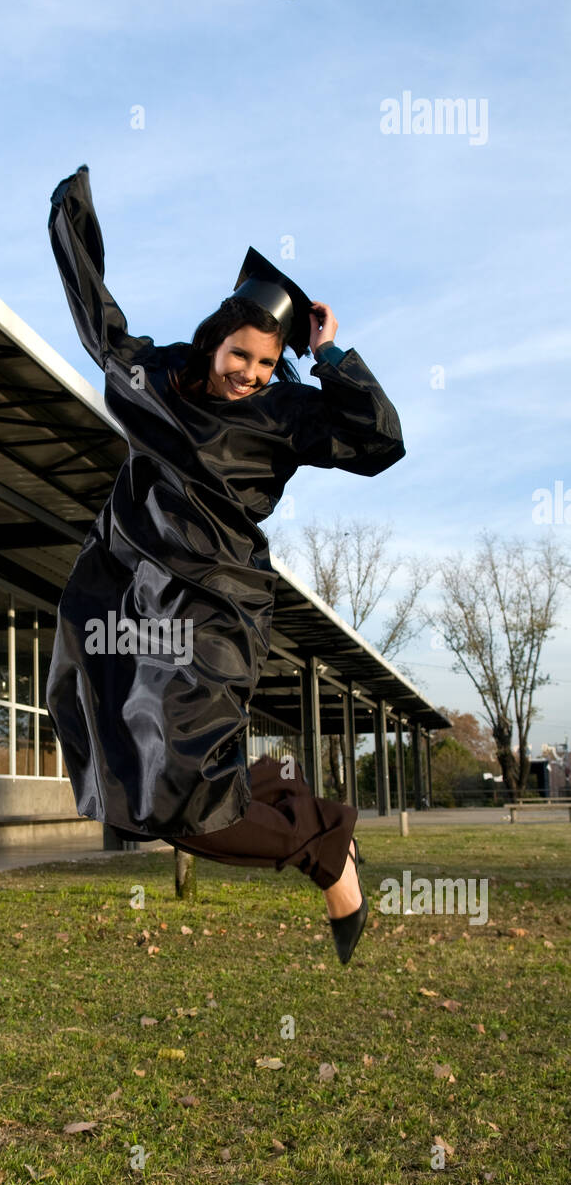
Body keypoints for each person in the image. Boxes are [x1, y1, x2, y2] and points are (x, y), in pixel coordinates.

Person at [46, 165, 406, 964]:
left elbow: (380, 440)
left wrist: (330, 353)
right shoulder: (154, 385)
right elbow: (99, 325)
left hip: (214, 612)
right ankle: (280, 791)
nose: (249, 374)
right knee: (126, 771)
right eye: (241, 355)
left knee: (178, 805)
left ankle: (325, 848)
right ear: (217, 338)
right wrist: (67, 221)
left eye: (266, 365)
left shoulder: (284, 417)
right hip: (135, 606)